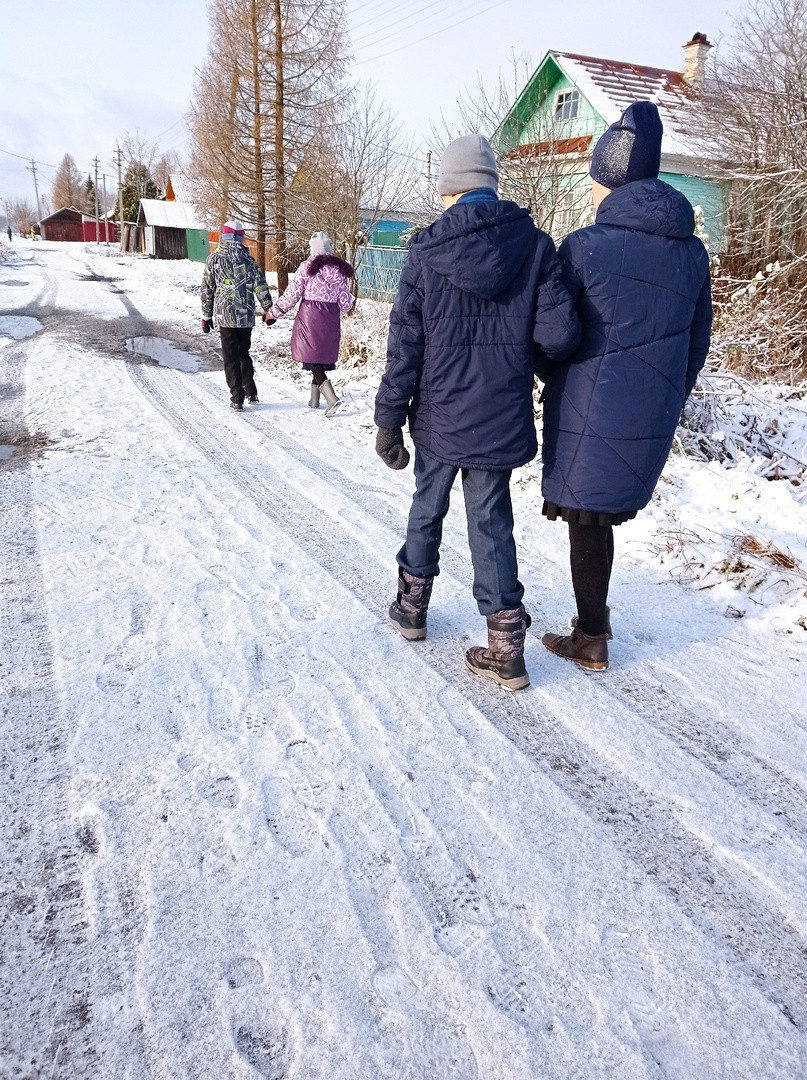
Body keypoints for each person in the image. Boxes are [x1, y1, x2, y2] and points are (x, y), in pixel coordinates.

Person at [374, 134, 581, 691]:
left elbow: (405, 347)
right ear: (490, 185)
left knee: (426, 508)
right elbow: (561, 335)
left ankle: (412, 610)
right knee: (491, 523)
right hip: (499, 414)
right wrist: (521, 356)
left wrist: (389, 416)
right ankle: (506, 646)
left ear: (450, 189)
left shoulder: (424, 251)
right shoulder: (534, 247)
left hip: (439, 416)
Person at [539, 101, 713, 671]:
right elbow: (695, 343)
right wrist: (667, 395)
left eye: (593, 181)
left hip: (588, 403)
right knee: (597, 519)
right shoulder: (692, 252)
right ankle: (591, 627)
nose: (590, 192)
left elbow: (556, 334)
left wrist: (545, 373)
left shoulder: (585, 247)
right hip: (650, 412)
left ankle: (590, 638)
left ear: (609, 181)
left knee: (586, 520)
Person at [263, 232, 354, 416]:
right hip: (330, 318)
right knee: (318, 356)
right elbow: (345, 304)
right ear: (329, 249)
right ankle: (314, 400)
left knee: (311, 358)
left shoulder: (307, 267)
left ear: (313, 249)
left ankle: (331, 398)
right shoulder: (340, 271)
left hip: (310, 317)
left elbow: (292, 294)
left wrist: (274, 313)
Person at [201, 219, 272, 411]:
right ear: (240, 238)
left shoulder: (214, 260)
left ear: (224, 236)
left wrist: (206, 316)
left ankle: (236, 397)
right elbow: (261, 285)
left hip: (225, 317)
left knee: (230, 356)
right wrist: (268, 309)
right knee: (243, 352)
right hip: (245, 316)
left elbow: (207, 289)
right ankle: (251, 391)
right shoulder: (248, 260)